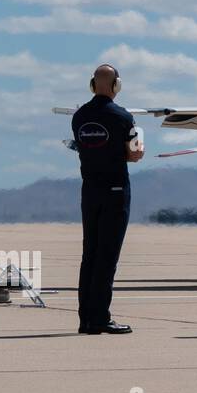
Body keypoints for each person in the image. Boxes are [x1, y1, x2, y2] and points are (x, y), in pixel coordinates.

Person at [71, 63, 143, 334]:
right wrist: (130, 154)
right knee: (107, 256)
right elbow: (133, 153)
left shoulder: (79, 117)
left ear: (92, 85)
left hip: (89, 192)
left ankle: (85, 319)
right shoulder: (122, 117)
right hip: (114, 191)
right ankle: (100, 317)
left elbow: (88, 149)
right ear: (116, 86)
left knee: (89, 254)